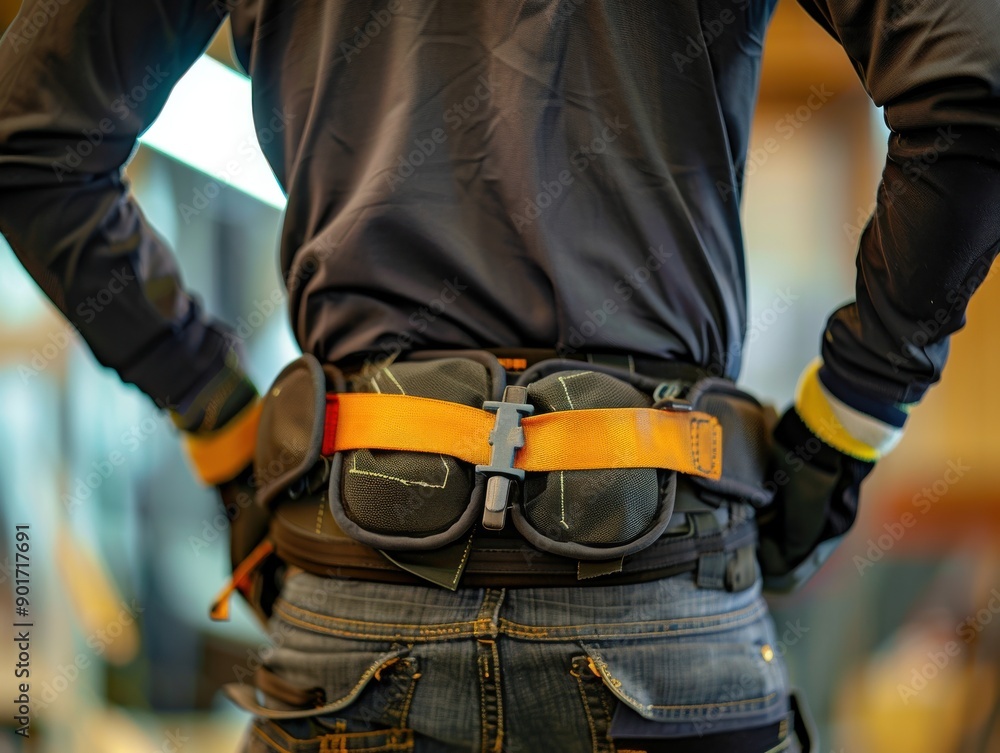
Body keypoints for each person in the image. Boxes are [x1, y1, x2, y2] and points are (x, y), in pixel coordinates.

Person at [1, 0, 998, 750]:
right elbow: (973, 84)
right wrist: (846, 419)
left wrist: (221, 422)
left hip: (359, 594)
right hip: (658, 598)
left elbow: (31, 139)